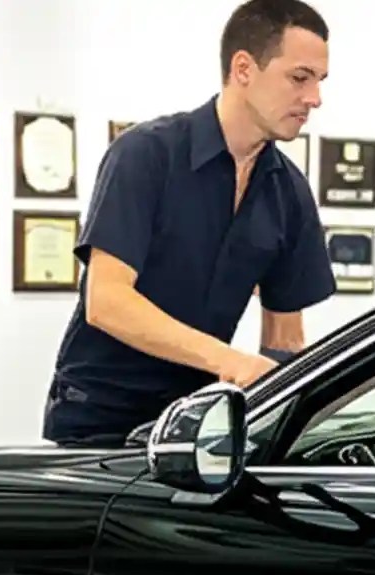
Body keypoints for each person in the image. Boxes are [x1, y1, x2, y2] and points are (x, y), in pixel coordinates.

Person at [42, 0, 336, 448]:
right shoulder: (145, 154)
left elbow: (284, 337)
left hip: (193, 429)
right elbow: (106, 300)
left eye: (319, 82)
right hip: (98, 421)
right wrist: (229, 360)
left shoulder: (290, 193)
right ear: (243, 69)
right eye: (299, 78)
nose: (314, 99)